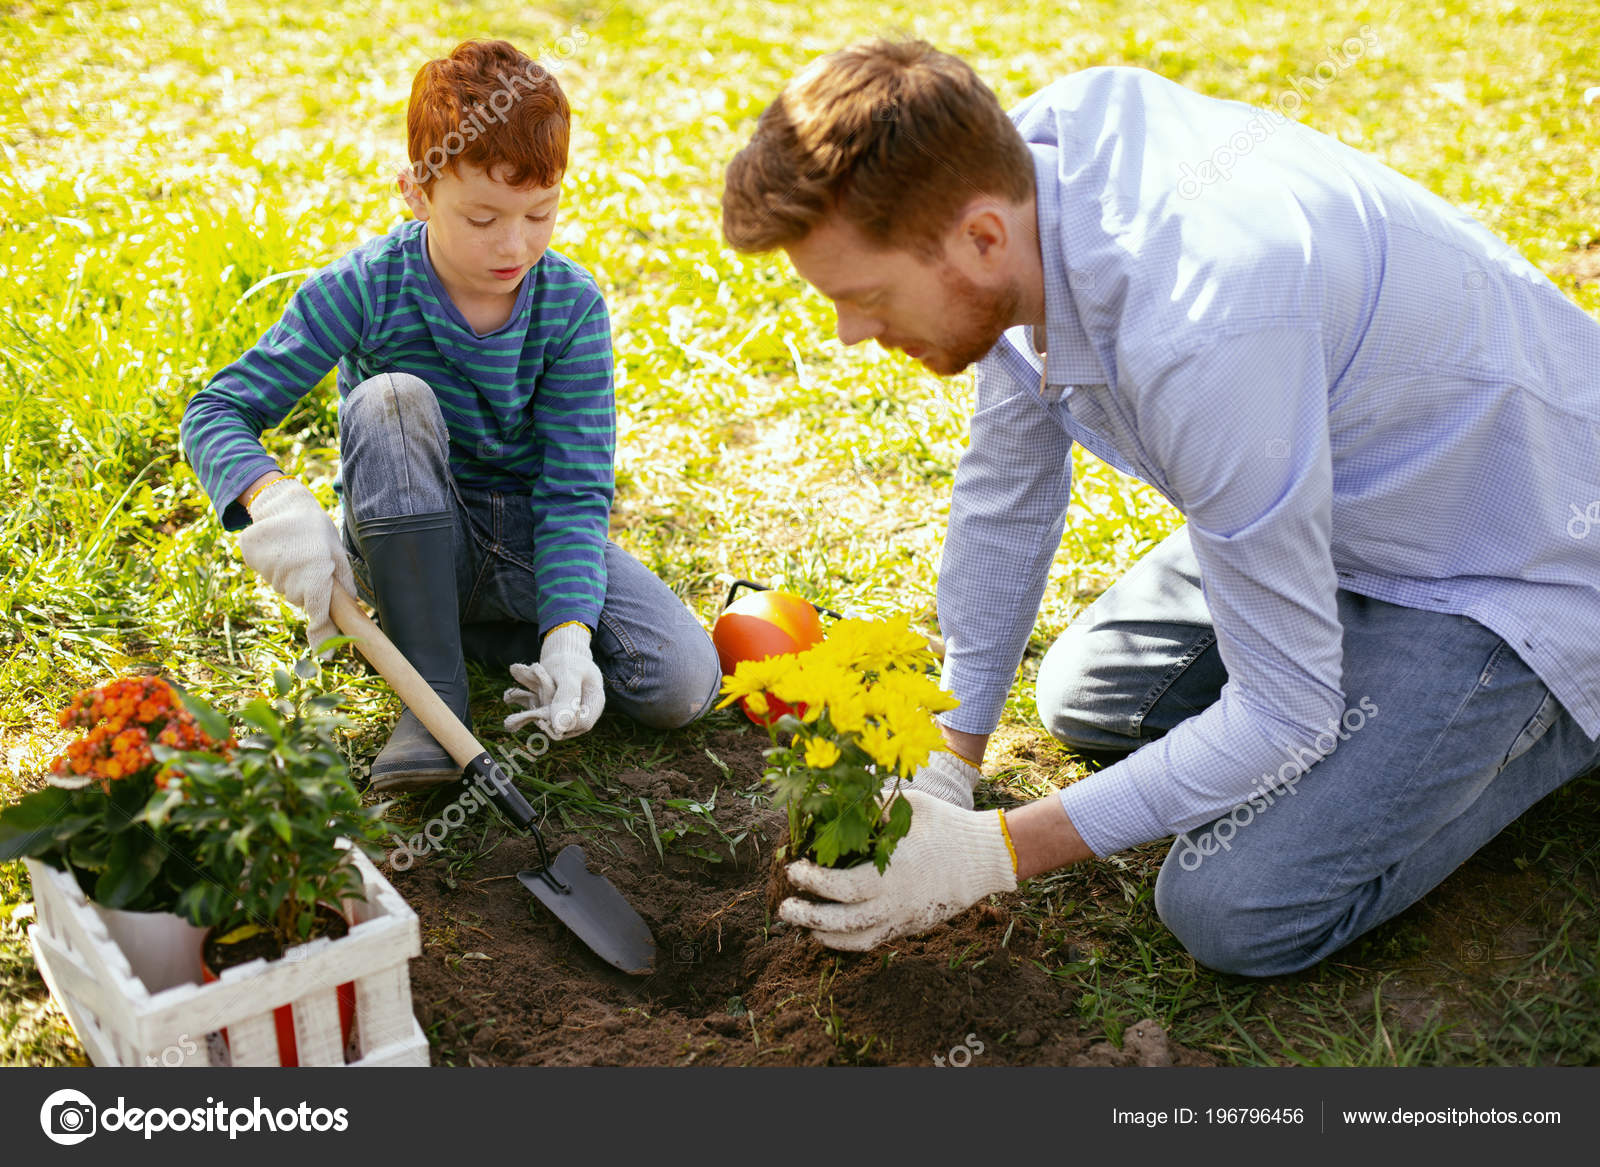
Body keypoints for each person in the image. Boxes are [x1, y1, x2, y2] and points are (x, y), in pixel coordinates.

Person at [719, 39, 1600, 974]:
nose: (852, 333)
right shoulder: (1026, 182)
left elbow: (1286, 712)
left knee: (1230, 907)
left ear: (980, 237)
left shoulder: (1206, 324)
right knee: (1087, 692)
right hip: (1348, 509)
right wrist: (951, 752)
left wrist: (996, 850)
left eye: (862, 297)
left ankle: (1552, 718)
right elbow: (1005, 496)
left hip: (1509, 561)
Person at [182, 39, 720, 791]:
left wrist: (568, 635)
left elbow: (572, 488)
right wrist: (270, 498)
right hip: (405, 526)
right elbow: (216, 410)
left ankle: (479, 635)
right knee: (390, 399)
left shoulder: (570, 307)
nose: (514, 244)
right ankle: (433, 695)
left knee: (681, 682)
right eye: (481, 217)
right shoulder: (366, 288)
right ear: (415, 191)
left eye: (541, 212)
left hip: (521, 537)